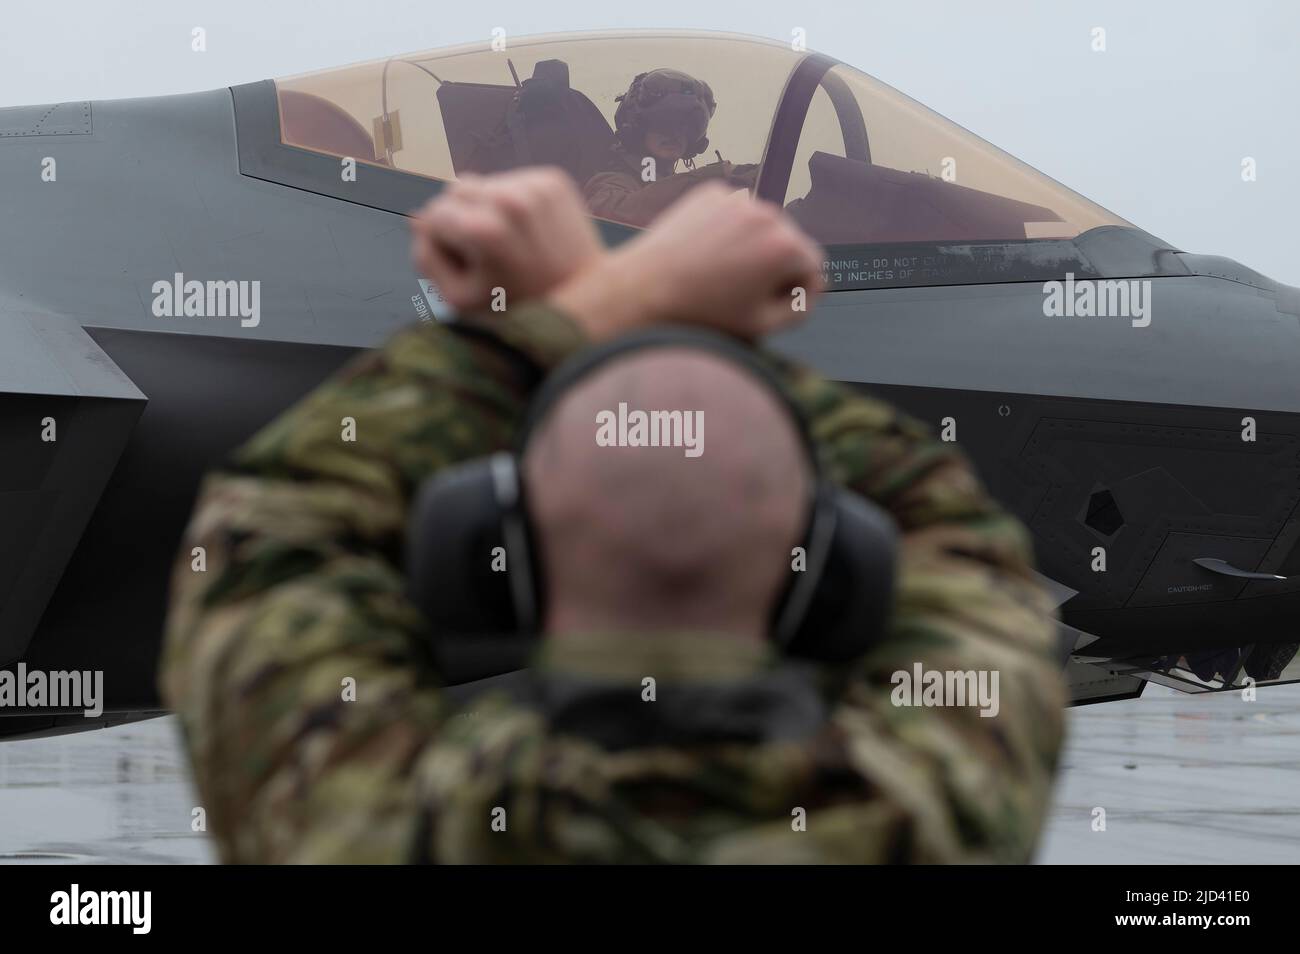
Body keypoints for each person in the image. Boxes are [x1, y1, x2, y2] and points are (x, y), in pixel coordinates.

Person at [160, 168, 1066, 863]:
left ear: (497, 552)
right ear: (828, 567)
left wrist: (596, 305)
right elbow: (957, 538)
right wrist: (672, 323)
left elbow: (276, 531)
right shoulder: (932, 815)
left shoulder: (370, 822)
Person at [583, 69, 759, 227]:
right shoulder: (611, 180)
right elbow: (614, 213)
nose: (674, 134)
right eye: (663, 124)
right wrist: (716, 176)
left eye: (684, 127)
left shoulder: (674, 191)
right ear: (638, 128)